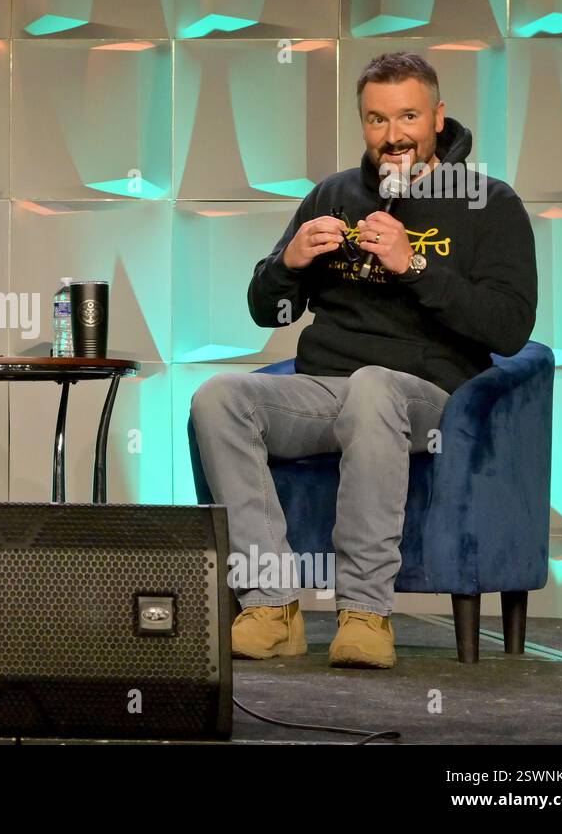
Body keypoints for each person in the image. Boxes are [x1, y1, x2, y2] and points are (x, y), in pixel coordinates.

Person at [190, 52, 537, 668]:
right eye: (377, 120)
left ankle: (365, 612)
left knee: (375, 388)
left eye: (408, 117)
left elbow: (509, 329)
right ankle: (270, 605)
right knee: (219, 397)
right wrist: (288, 264)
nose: (393, 135)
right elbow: (267, 312)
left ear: (438, 117)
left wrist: (415, 265)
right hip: (326, 390)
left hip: (431, 398)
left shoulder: (488, 202)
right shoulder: (334, 194)